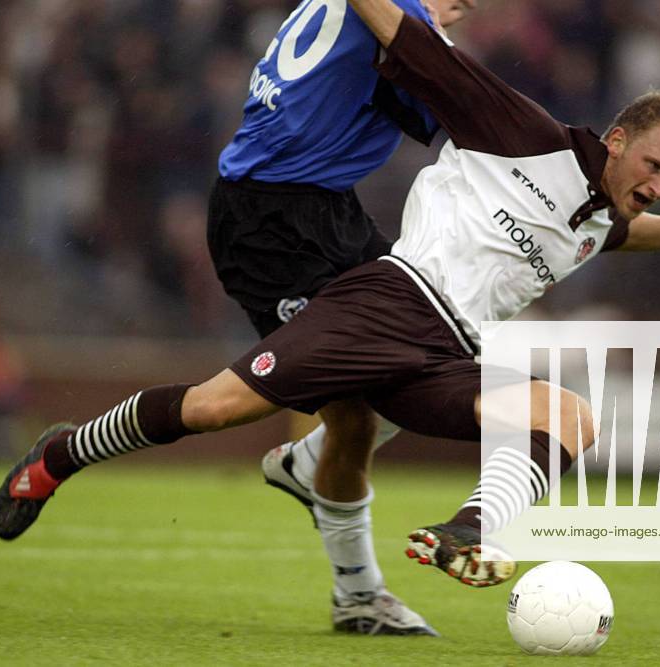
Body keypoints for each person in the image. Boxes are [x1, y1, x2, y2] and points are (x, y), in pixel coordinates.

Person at [0, 0, 660, 633]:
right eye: (655, 166)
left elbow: (623, 233)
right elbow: (406, 37)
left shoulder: (598, 216)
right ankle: (63, 452)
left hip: (444, 353)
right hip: (387, 305)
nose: (659, 185)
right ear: (617, 140)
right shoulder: (523, 133)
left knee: (570, 416)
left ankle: (462, 533)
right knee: (216, 408)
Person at [208, 0, 478, 635]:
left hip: (327, 208)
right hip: (270, 224)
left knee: (426, 353)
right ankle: (358, 596)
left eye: (464, 10)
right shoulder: (403, 21)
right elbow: (459, 112)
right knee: (354, 413)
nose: (452, 17)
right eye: (455, 2)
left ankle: (307, 465)